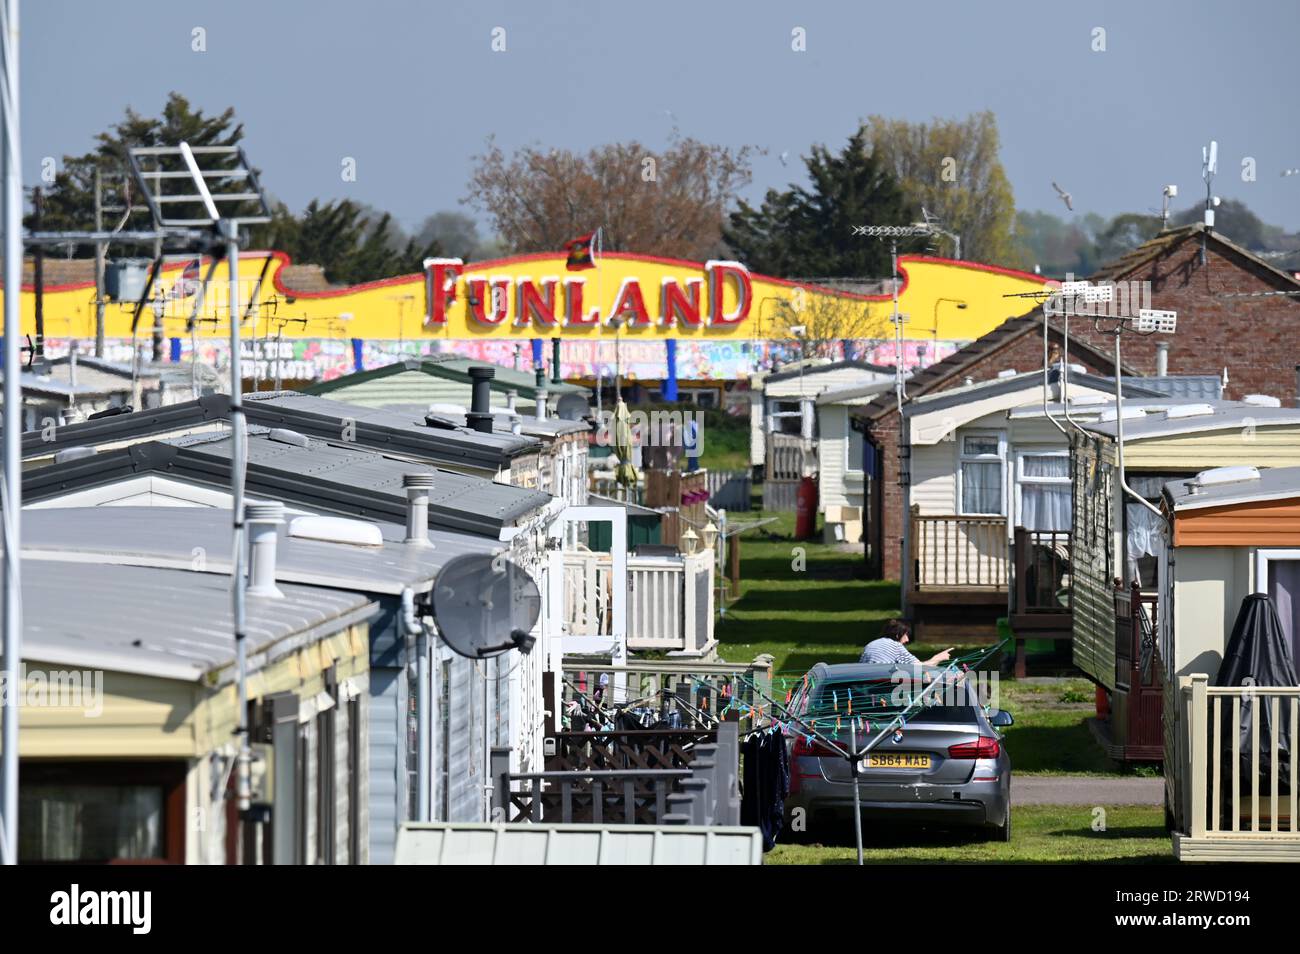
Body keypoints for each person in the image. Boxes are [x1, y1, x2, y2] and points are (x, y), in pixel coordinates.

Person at [859, 618, 953, 667]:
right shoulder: (895, 646)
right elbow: (921, 669)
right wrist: (938, 657)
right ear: (897, 635)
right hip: (883, 691)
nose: (907, 640)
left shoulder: (870, 644)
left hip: (865, 688)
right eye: (906, 635)